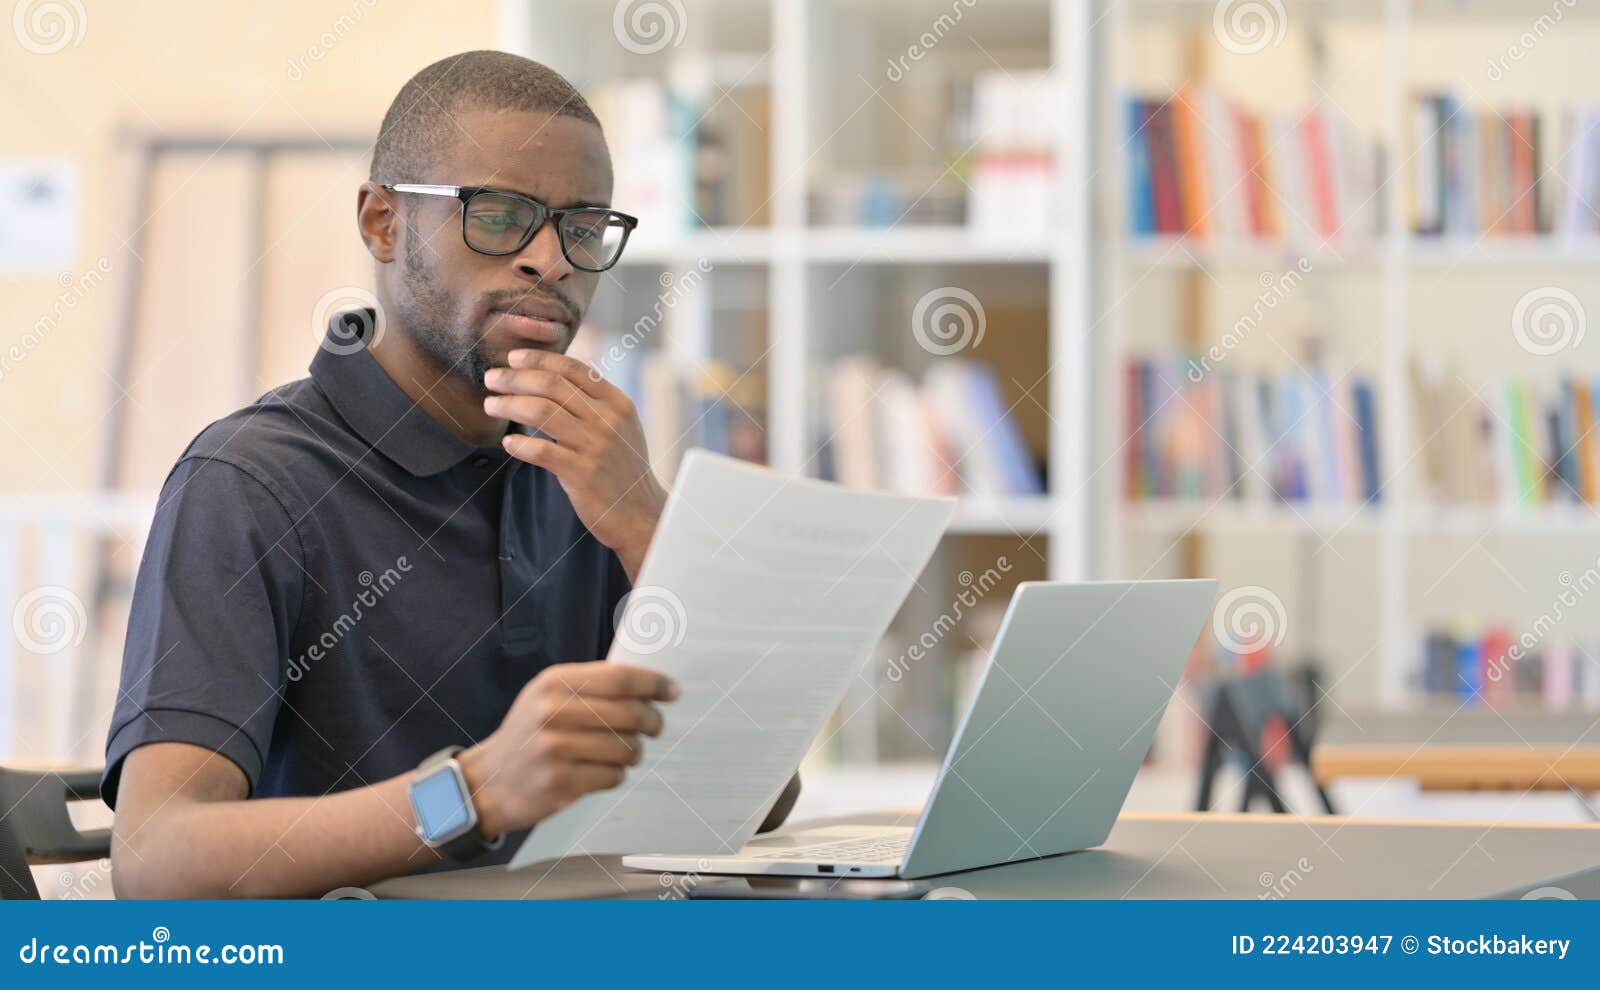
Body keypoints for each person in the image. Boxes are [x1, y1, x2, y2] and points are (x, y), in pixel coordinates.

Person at [104, 50, 797, 898]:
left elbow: (764, 798)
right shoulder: (249, 482)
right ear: (383, 223)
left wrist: (646, 521)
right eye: (500, 215)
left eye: (582, 226)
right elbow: (155, 861)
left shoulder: (591, 469)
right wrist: (474, 794)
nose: (552, 260)